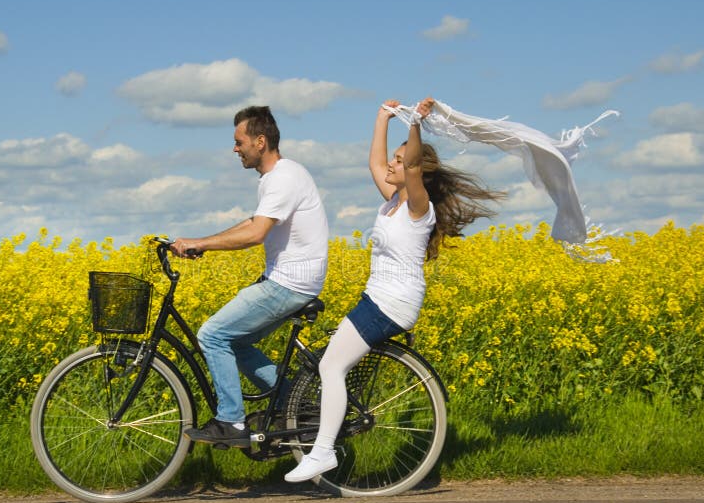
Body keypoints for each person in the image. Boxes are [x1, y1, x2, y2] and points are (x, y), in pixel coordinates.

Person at [284, 98, 504, 482]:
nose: (393, 164)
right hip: (378, 298)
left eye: (399, 161)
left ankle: (322, 453)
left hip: (392, 302)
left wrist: (415, 126)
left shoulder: (420, 207)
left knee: (331, 365)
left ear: (415, 170)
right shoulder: (390, 202)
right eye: (396, 159)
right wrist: (382, 119)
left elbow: (414, 166)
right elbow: (374, 163)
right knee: (333, 363)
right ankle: (320, 446)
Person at [171, 105, 329, 448]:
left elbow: (256, 234)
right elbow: (252, 222)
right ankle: (295, 407)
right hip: (290, 279)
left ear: (260, 141)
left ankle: (232, 422)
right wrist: (201, 242)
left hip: (289, 283)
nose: (234, 149)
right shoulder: (277, 178)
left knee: (212, 335)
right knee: (236, 341)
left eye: (239, 141)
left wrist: (203, 243)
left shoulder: (284, 177)